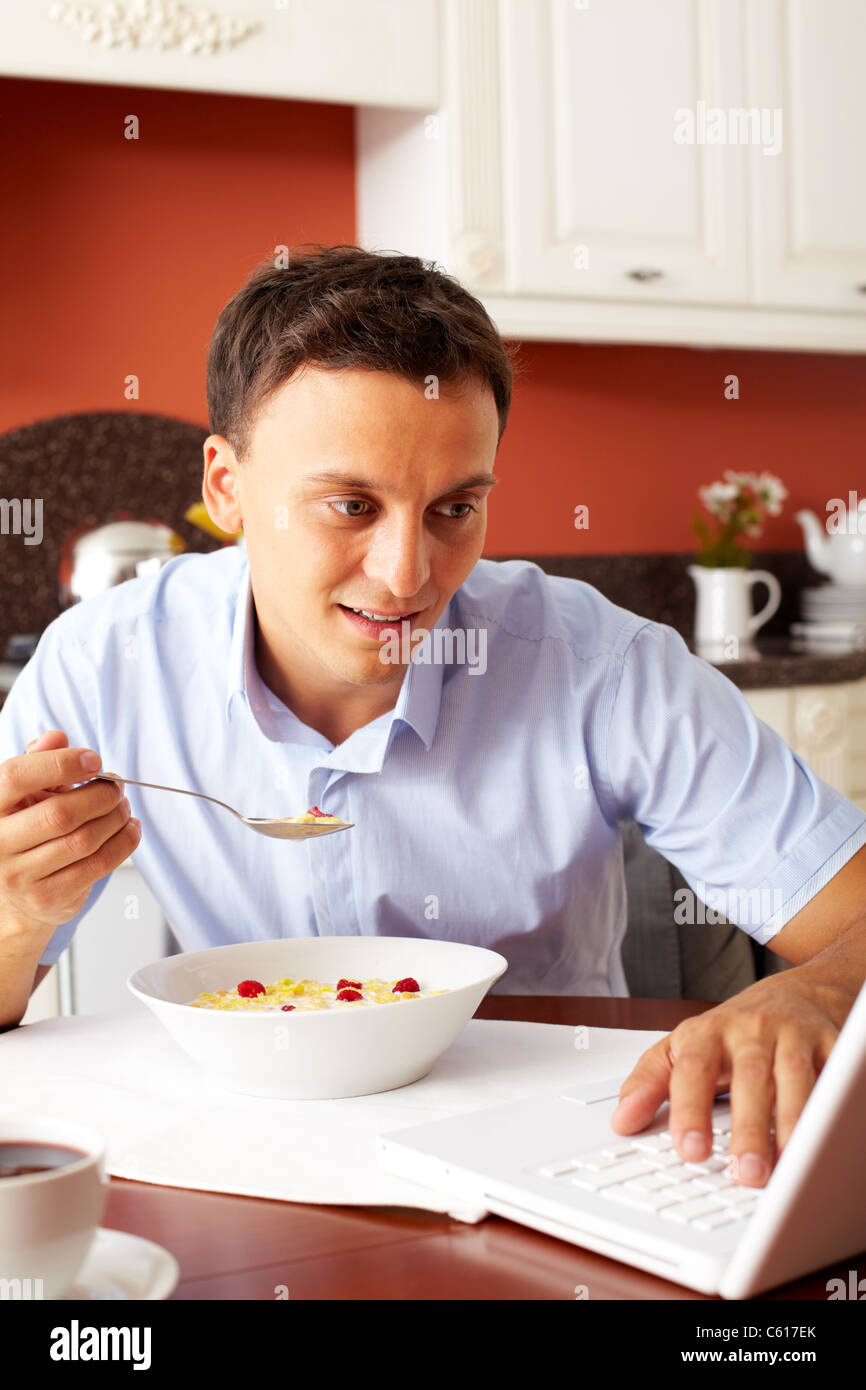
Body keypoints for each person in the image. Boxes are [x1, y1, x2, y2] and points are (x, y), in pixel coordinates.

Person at [1, 245, 864, 1192]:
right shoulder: (103, 668)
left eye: (454, 507)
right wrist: (13, 914)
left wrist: (818, 988)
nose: (409, 576)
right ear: (226, 488)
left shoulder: (603, 668)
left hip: (565, 1156)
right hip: (251, 1156)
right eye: (350, 505)